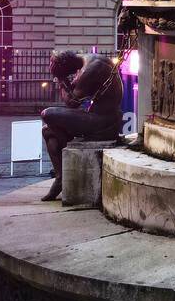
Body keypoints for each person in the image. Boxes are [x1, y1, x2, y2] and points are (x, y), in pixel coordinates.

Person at [40, 53, 123, 201]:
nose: (71, 76)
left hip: (103, 122)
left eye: (68, 73)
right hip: (102, 117)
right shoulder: (89, 60)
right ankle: (60, 177)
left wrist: (60, 79)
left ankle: (62, 175)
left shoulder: (90, 69)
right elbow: (77, 90)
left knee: (47, 114)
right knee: (48, 131)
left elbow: (71, 102)